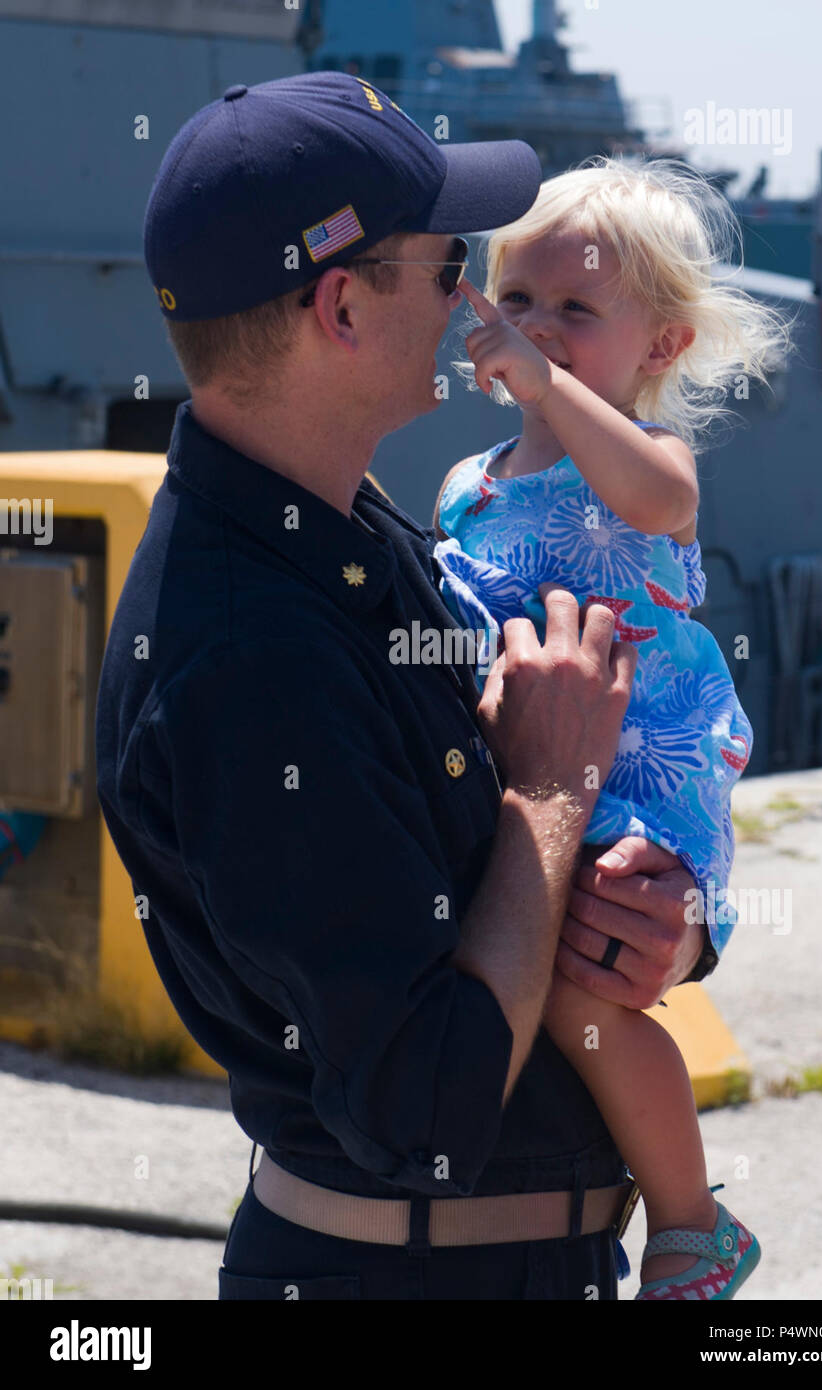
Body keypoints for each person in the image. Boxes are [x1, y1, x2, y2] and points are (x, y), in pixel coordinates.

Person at [95, 74, 719, 1302]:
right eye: (448, 272)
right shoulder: (252, 658)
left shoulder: (349, 535)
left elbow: (528, 853)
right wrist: (551, 788)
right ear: (339, 303)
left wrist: (666, 919)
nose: (476, 308)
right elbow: (427, 1105)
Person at [432, 158, 792, 1298]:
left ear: (663, 346)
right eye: (518, 300)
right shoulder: (464, 482)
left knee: (589, 988)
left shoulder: (649, 462)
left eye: (577, 308)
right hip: (531, 775)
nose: (538, 329)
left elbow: (658, 504)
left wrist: (547, 387)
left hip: (642, 776)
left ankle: (692, 1222)